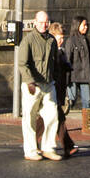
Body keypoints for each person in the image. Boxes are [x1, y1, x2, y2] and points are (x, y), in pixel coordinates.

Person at [17, 11, 62, 161]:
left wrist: (55, 78)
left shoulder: (51, 40)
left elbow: (55, 62)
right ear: (35, 22)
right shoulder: (28, 40)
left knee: (52, 116)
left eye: (46, 22)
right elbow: (22, 64)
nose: (44, 25)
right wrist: (30, 81)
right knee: (29, 118)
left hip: (48, 84)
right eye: (41, 22)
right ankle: (30, 150)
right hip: (33, 85)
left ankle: (48, 148)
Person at [49, 22, 78, 157]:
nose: (61, 41)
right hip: (51, 88)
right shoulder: (51, 51)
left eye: (62, 38)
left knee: (47, 120)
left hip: (60, 88)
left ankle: (34, 143)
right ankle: (68, 146)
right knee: (58, 118)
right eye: (59, 38)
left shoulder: (61, 51)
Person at [67, 16, 90, 133]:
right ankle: (57, 122)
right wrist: (67, 77)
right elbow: (68, 59)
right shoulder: (71, 41)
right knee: (70, 100)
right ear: (77, 25)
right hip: (73, 75)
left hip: (85, 76)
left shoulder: (86, 40)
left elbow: (89, 60)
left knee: (87, 100)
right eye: (84, 25)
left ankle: (87, 127)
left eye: (86, 25)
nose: (86, 27)